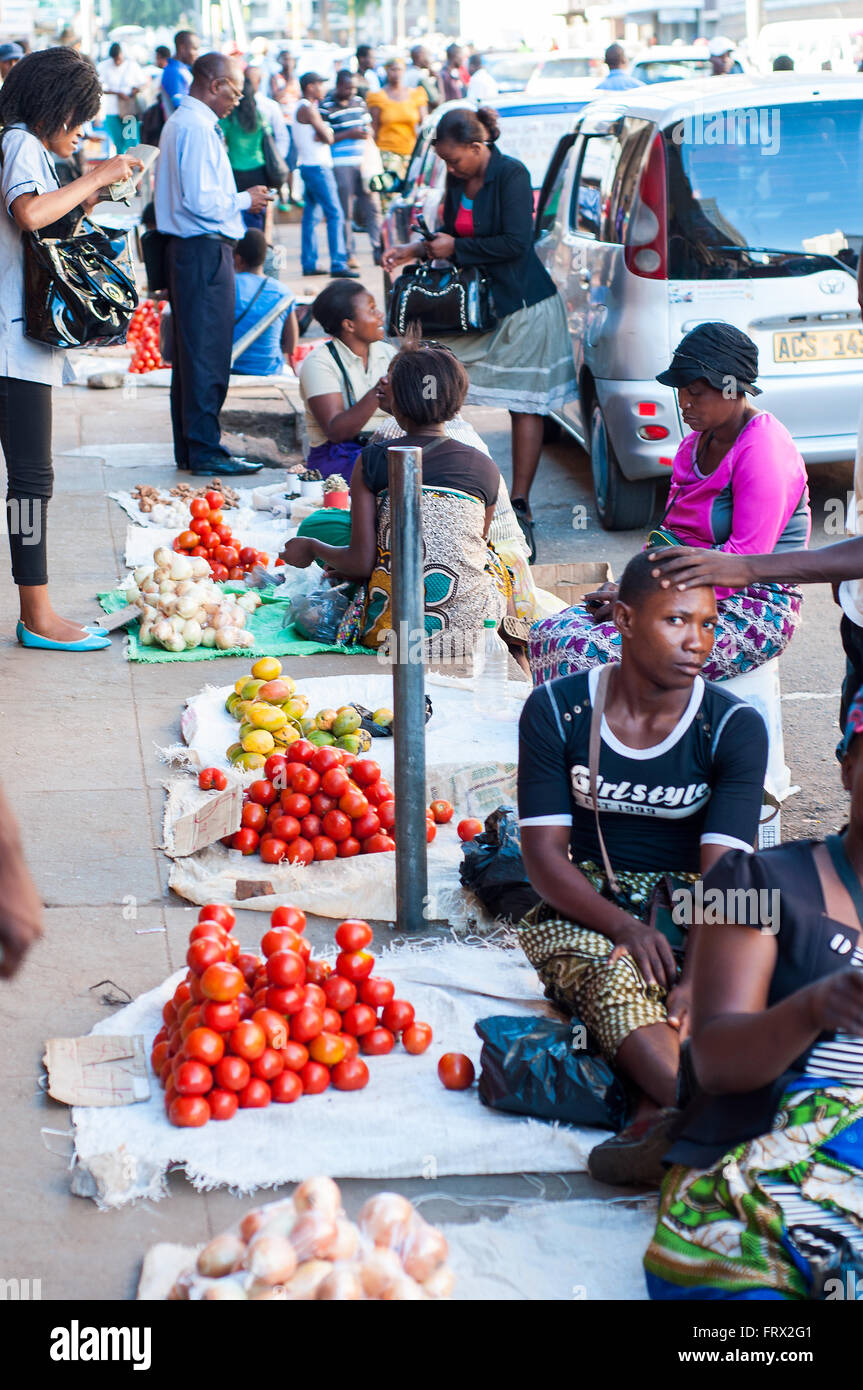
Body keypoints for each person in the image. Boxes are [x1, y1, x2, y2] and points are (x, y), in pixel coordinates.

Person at [517, 551, 768, 1184]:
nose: (698, 643)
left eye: (709, 624)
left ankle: (663, 1123)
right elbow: (545, 860)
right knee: (612, 977)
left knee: (735, 990)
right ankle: (710, 1120)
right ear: (625, 620)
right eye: (676, 621)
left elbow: (728, 874)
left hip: (709, 901)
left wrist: (703, 969)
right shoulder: (557, 711)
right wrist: (626, 929)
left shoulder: (733, 725)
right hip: (593, 901)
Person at [644, 689, 863, 1298]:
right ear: (847, 766)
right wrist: (814, 1007)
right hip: (758, 1176)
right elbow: (713, 1061)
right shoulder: (756, 883)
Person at [530, 323, 811, 684]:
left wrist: (647, 602)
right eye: (681, 391)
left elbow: (741, 565)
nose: (684, 403)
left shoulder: (764, 449)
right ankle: (575, 737)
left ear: (732, 388)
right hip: (680, 592)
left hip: (750, 605)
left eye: (695, 392)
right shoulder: (694, 444)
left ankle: (617, 739)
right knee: (549, 632)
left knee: (584, 650)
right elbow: (671, 536)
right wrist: (633, 590)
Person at [381, 106, 578, 562]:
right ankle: (447, 487)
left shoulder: (511, 173)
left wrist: (460, 247)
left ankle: (521, 504)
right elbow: (450, 232)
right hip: (473, 309)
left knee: (523, 402)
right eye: (446, 162)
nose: (452, 169)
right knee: (433, 380)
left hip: (523, 305)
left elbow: (517, 242)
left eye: (456, 160)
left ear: (478, 146)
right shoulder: (457, 178)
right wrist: (418, 247)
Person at [0, 47, 142, 650]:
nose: (83, 129)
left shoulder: (19, 147)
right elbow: (30, 214)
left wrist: (87, 200)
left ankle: (38, 607)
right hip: (10, 343)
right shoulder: (18, 146)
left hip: (16, 340)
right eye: (80, 115)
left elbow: (43, 226)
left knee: (31, 480)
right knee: (31, 481)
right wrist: (98, 176)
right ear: (54, 107)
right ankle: (37, 614)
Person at [283, 337, 511, 655]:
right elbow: (475, 548)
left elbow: (362, 563)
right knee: (497, 563)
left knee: (323, 533)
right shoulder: (484, 466)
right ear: (458, 402)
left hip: (393, 633)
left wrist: (310, 548)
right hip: (468, 632)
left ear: (395, 406)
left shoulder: (375, 457)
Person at [154, 51, 270, 477]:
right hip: (202, 249)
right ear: (215, 84)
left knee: (193, 354)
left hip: (193, 251)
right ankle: (204, 449)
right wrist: (245, 199)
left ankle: (193, 446)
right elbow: (201, 201)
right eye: (234, 91)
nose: (237, 100)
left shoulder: (186, 124)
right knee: (206, 352)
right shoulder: (196, 127)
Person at [299, 278, 395, 480]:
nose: (380, 315)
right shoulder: (318, 363)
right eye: (371, 310)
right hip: (337, 456)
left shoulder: (386, 352)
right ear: (349, 325)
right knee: (392, 473)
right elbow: (336, 431)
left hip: (385, 446)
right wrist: (378, 391)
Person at [292, 72, 356, 280]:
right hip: (318, 167)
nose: (323, 88)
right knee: (335, 213)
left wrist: (323, 133)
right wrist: (325, 133)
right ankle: (338, 262)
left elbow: (324, 135)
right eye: (319, 84)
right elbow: (328, 137)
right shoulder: (308, 108)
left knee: (312, 216)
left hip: (310, 165)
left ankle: (309, 262)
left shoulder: (304, 107)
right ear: (310, 87)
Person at [321, 70, 382, 269]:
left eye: (353, 87)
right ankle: (349, 254)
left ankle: (378, 249)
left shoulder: (359, 103)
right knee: (345, 211)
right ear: (338, 85)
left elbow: (369, 127)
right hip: (341, 163)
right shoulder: (326, 107)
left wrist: (366, 132)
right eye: (347, 87)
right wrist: (350, 133)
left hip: (364, 163)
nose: (350, 91)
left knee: (373, 207)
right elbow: (324, 138)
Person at [231, 228, 297, 376]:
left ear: (237, 258)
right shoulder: (283, 292)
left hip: (229, 367)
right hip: (268, 369)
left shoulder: (226, 286)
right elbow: (290, 347)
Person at [366, 58, 427, 197]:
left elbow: (425, 124)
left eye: (399, 69)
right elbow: (374, 127)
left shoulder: (416, 94)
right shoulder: (378, 96)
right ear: (387, 71)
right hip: (387, 153)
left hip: (411, 154)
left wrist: (429, 145)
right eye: (393, 69)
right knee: (390, 194)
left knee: (409, 195)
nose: (396, 73)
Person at [219, 73, 271, 232]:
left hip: (236, 171)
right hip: (258, 169)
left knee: (239, 213)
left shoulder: (229, 118)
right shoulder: (260, 115)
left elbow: (222, 140)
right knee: (258, 214)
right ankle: (259, 246)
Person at [97, 42, 145, 155]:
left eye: (118, 58)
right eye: (115, 59)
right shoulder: (104, 66)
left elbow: (143, 83)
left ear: (122, 55)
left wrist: (135, 90)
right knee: (118, 143)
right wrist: (117, 93)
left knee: (132, 142)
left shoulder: (132, 66)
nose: (117, 62)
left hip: (129, 110)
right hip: (112, 111)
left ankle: (133, 166)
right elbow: (98, 87)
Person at [160, 30, 199, 116]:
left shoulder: (183, 69)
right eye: (194, 49)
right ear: (182, 48)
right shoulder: (173, 72)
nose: (197, 54)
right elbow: (181, 107)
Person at [404, 45, 439, 109]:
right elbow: (436, 102)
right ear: (420, 57)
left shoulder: (407, 71)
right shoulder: (420, 76)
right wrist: (439, 79)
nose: (429, 59)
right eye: (427, 55)